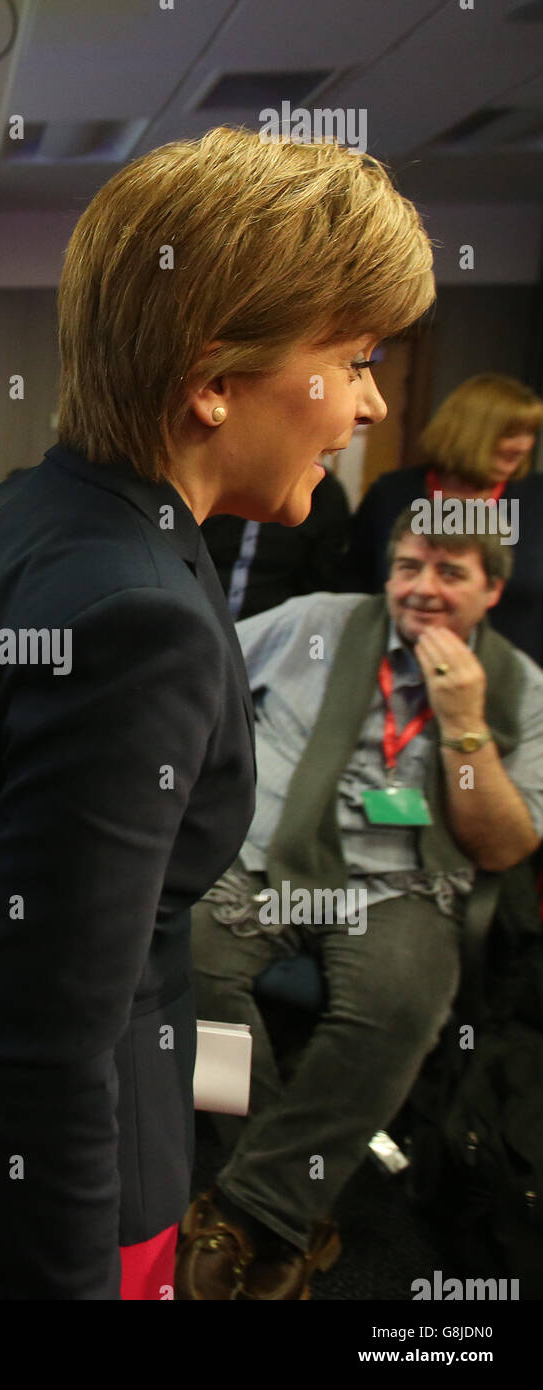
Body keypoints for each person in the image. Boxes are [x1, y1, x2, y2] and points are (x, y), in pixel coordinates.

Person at [0, 127, 435, 1299]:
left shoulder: (37, 502)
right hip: (44, 1174)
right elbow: (50, 1034)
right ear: (214, 379)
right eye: (355, 357)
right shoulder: (138, 617)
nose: (368, 402)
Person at [180, 511, 543, 1300]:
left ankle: (243, 1208)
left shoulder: (521, 688)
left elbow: (505, 849)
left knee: (401, 1004)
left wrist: (466, 726)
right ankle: (288, 1211)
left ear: (493, 589)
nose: (424, 588)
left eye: (452, 573)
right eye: (410, 566)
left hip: (400, 885)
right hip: (263, 864)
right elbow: (197, 670)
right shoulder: (315, 621)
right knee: (187, 963)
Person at [342, 374, 543, 664]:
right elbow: (352, 584)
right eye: (511, 433)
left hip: (509, 680)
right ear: (468, 432)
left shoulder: (536, 498)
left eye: (531, 433)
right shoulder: (393, 493)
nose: (523, 446)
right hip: (391, 671)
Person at [200, 463, 351, 619]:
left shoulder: (325, 494)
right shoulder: (213, 475)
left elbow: (323, 582)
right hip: (194, 620)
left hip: (275, 629)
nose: (340, 441)